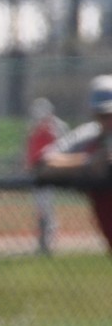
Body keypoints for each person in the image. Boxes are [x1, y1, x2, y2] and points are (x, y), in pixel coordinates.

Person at [34, 75, 112, 254]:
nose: (108, 121)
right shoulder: (90, 136)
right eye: (103, 115)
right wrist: (89, 161)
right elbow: (45, 163)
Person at [23, 97, 68, 255]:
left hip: (50, 170)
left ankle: (48, 239)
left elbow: (63, 146)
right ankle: (45, 238)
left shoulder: (56, 127)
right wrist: (28, 164)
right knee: (41, 206)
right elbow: (30, 149)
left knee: (45, 206)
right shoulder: (34, 127)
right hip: (37, 170)